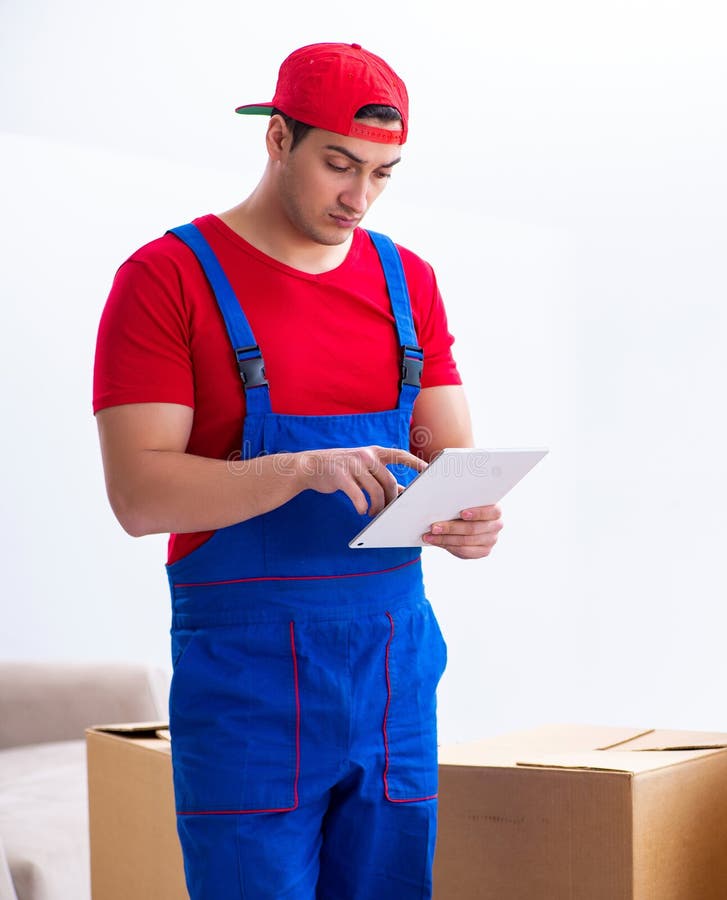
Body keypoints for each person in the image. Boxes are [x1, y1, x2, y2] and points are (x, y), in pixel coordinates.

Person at [93, 41, 502, 900]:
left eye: (384, 173)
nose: (359, 197)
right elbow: (137, 497)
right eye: (338, 164)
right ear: (277, 138)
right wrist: (297, 469)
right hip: (249, 684)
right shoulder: (168, 279)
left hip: (393, 670)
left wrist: (469, 516)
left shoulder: (405, 281)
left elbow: (451, 458)